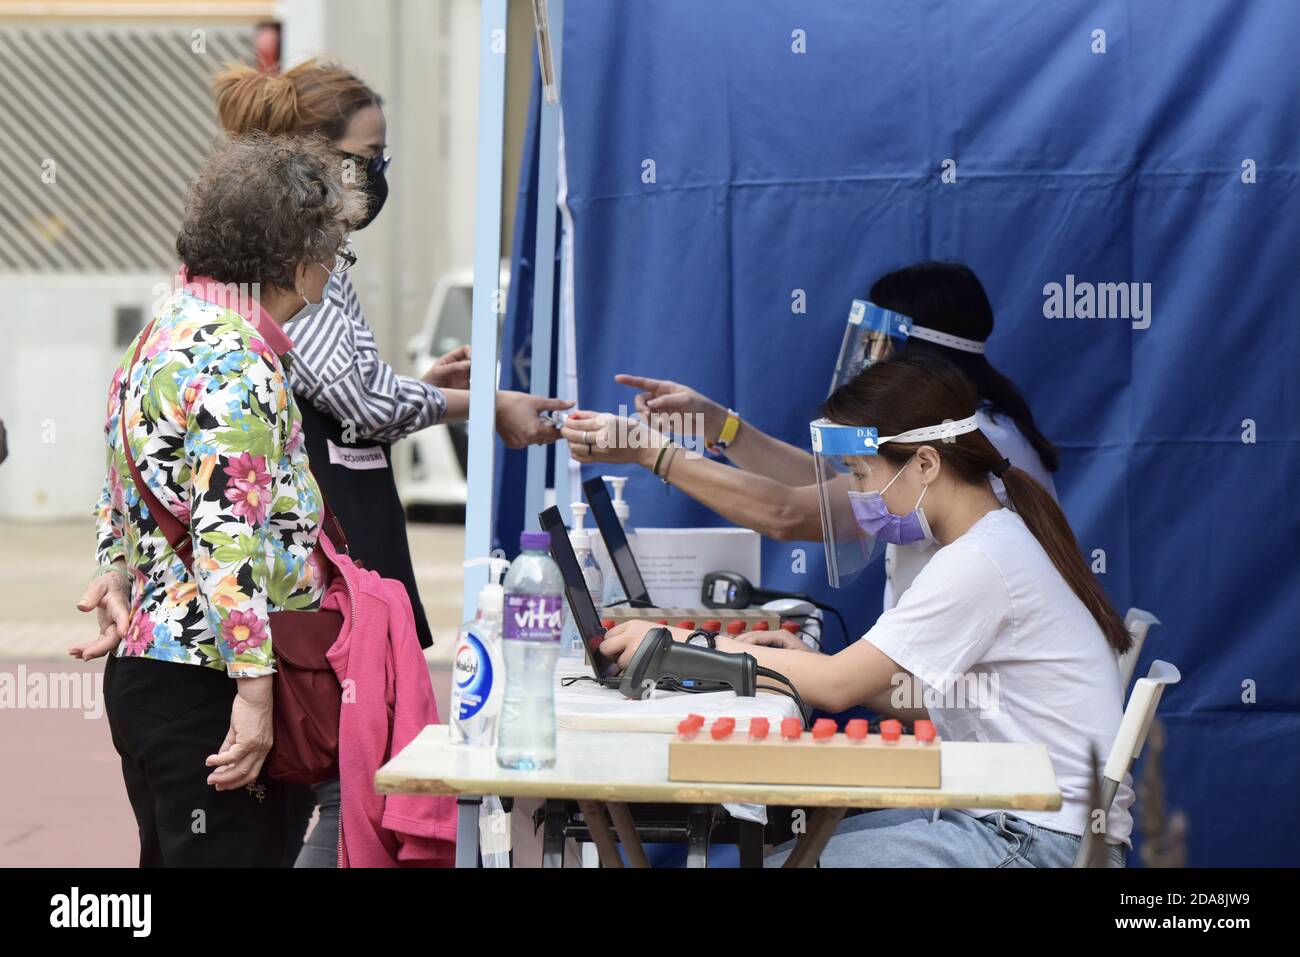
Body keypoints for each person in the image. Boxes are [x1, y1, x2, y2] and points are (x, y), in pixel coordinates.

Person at [598, 352, 1134, 867]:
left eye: (858, 474)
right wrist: (794, 662)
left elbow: (835, 685)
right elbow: (938, 702)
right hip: (1018, 816)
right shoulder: (988, 538)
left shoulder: (980, 561)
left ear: (925, 463)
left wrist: (686, 644)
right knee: (784, 855)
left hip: (1036, 840)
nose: (855, 495)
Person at [71, 133, 362, 866]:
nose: (334, 268)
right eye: (335, 249)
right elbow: (225, 533)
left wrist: (118, 570)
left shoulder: (161, 331)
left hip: (153, 668)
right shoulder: (235, 354)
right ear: (295, 254)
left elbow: (119, 479)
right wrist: (256, 694)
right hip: (213, 681)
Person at [213, 59, 570, 652]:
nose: (376, 174)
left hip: (331, 535)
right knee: (359, 720)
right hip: (334, 546)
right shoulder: (305, 261)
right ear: (312, 158)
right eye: (366, 156)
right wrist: (486, 404)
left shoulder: (285, 255)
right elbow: (365, 401)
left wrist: (424, 389)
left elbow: (345, 396)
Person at [562, 262, 1057, 606]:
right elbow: (831, 485)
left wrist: (650, 451)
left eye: (878, 346)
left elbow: (789, 513)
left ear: (917, 355)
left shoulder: (972, 443)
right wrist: (723, 427)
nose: (868, 363)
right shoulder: (981, 427)